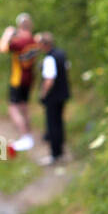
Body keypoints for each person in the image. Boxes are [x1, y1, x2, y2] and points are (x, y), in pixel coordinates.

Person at [0, 12, 39, 150]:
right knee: (24, 107)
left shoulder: (19, 42)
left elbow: (1, 48)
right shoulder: (33, 40)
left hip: (18, 79)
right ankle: (29, 135)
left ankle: (24, 136)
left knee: (13, 108)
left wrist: (8, 34)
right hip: (29, 79)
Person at [38, 31, 70, 165]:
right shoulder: (61, 54)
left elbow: (49, 80)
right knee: (59, 123)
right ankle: (60, 152)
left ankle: (55, 154)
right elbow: (67, 68)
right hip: (63, 94)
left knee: (52, 125)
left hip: (53, 97)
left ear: (45, 45)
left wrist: (43, 93)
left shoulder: (49, 58)